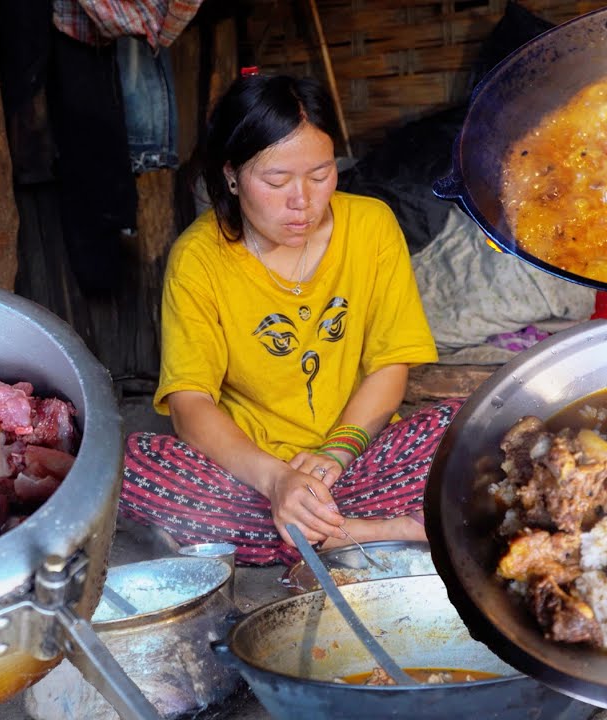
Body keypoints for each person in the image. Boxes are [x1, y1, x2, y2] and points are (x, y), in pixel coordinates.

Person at [118, 73, 464, 565]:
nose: (302, 201)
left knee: (466, 427)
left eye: (321, 175)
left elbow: (390, 366)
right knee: (136, 465)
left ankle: (309, 534)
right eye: (277, 181)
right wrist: (278, 480)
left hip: (358, 455)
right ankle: (373, 529)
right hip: (252, 474)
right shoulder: (198, 258)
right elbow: (189, 402)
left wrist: (334, 456)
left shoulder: (371, 226)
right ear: (232, 175)